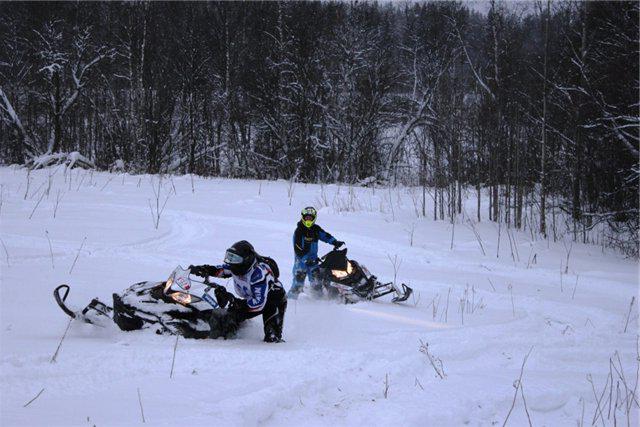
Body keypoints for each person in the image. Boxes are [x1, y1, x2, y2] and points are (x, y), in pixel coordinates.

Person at [189, 240, 286, 343]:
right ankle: (224, 336)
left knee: (272, 339)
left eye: (235, 259)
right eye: (230, 257)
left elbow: (258, 303)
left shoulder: (258, 274)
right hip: (253, 300)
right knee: (229, 317)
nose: (231, 262)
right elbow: (220, 270)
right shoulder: (235, 267)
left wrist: (236, 302)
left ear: (246, 260)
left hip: (273, 301)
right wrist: (203, 269)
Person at [289, 206, 344, 298]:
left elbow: (325, 236)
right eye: (307, 217)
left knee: (317, 284)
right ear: (303, 217)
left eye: (310, 218)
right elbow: (297, 249)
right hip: (301, 262)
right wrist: (305, 259)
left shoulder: (315, 229)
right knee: (298, 284)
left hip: (313, 261)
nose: (308, 220)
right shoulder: (299, 231)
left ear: (314, 218)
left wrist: (335, 242)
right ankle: (289, 302)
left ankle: (318, 302)